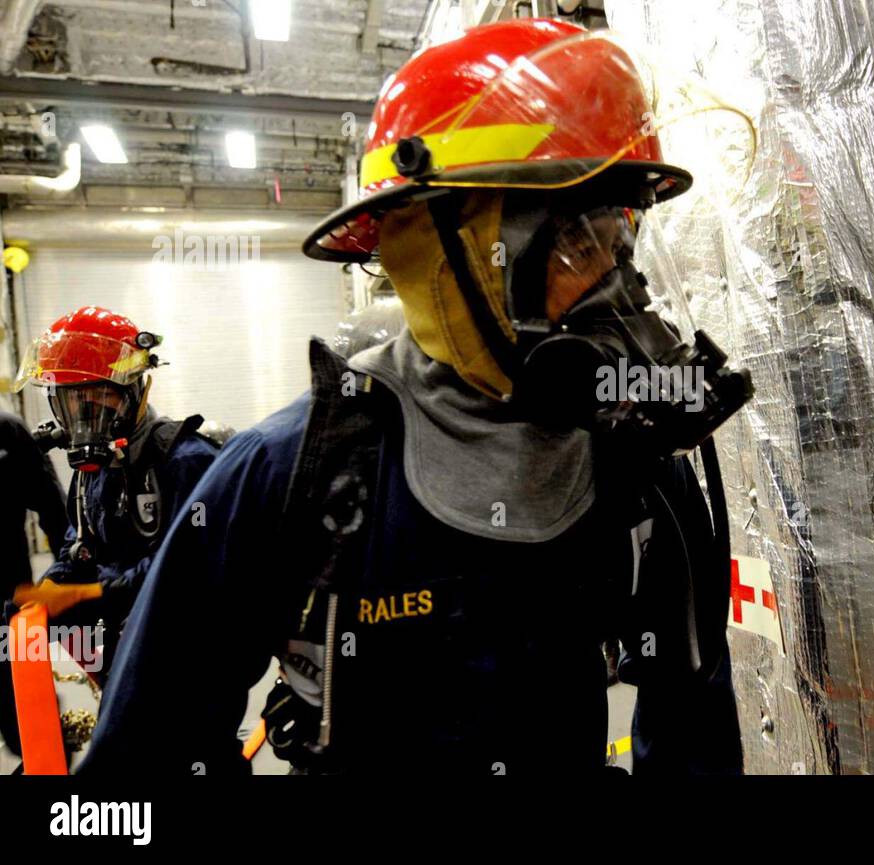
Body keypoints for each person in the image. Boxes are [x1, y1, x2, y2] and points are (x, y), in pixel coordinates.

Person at [81, 19, 752, 775]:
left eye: (622, 245)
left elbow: (694, 735)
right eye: (578, 243)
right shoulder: (289, 479)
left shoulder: (639, 478)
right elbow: (139, 764)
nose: (619, 292)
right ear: (446, 255)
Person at [7, 306, 219, 682]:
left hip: (188, 641)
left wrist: (89, 594)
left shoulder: (186, 461)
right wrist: (57, 581)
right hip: (129, 629)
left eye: (101, 393)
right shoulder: (94, 472)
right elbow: (80, 540)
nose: (85, 413)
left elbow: (185, 570)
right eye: (73, 398)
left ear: (137, 389)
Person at [0, 408, 70, 755]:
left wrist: (68, 577)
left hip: (15, 605)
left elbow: (55, 511)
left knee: (30, 717)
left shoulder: (6, 430)